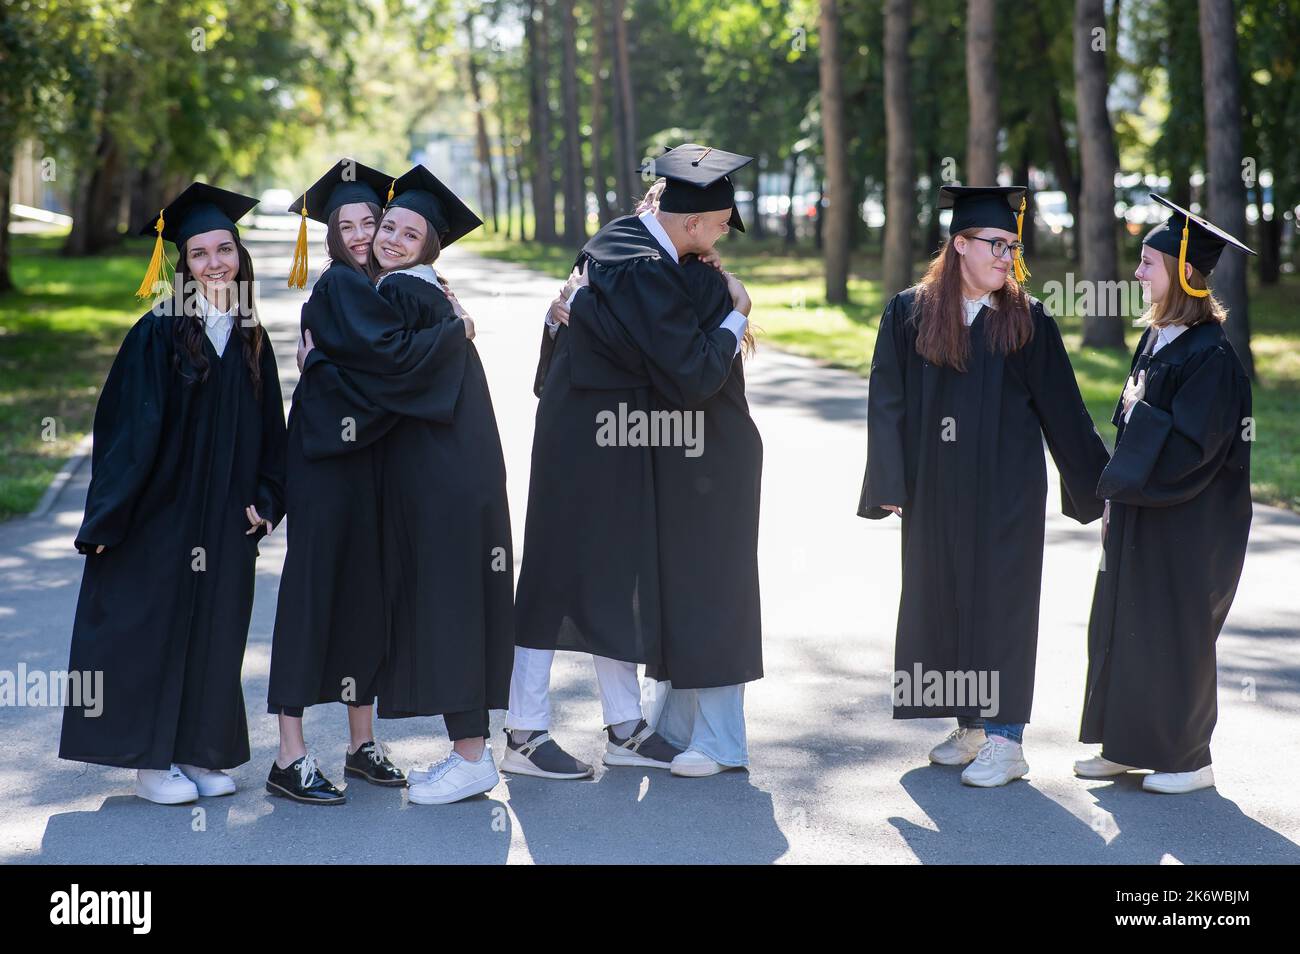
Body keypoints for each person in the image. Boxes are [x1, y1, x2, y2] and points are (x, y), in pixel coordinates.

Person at [508, 143, 753, 779]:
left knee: (614, 574)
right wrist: (736, 315)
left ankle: (623, 727)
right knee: (556, 574)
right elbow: (695, 375)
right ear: (693, 221)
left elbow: (587, 338)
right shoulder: (644, 269)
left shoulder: (612, 243)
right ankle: (523, 731)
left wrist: (578, 315)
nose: (724, 234)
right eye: (722, 223)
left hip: (604, 432)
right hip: (588, 441)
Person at [859, 185, 1110, 788]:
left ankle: (1006, 739)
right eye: (996, 244)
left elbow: (1065, 411)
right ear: (961, 244)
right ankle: (970, 726)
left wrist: (1103, 488)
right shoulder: (910, 313)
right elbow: (886, 398)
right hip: (935, 491)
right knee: (941, 599)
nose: (1007, 257)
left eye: (1014, 246)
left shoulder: (1026, 320)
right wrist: (888, 481)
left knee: (1001, 606)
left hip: (1006, 496)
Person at [59, 183, 287, 805]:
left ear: (240, 255)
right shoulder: (155, 335)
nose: (215, 264)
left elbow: (273, 434)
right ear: (180, 265)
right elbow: (124, 437)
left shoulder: (249, 337)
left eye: (224, 250)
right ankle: (151, 764)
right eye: (199, 254)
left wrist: (267, 502)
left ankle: (199, 751)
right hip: (161, 516)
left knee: (216, 632)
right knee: (154, 630)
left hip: (224, 519)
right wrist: (107, 521)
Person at [266, 158, 469, 804]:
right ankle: (289, 754)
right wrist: (450, 333)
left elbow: (377, 376)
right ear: (327, 235)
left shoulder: (385, 289)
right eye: (345, 225)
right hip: (330, 469)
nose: (360, 235)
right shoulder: (340, 290)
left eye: (370, 222)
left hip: (370, 465)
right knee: (313, 599)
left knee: (366, 601)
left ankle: (360, 743)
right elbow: (389, 372)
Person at [1075, 193, 1255, 795]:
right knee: (1126, 618)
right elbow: (1138, 422)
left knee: (1174, 629)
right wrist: (1116, 497)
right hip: (1143, 508)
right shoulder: (1158, 339)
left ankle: (1187, 758)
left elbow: (1193, 451)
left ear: (1182, 272)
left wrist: (1138, 425)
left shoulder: (1212, 357)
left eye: (1148, 263)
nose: (1136, 273)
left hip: (1190, 519)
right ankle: (1126, 745)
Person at [353, 163, 514, 805]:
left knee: (448, 604)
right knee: (459, 601)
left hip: (439, 476)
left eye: (407, 233)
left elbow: (386, 377)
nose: (390, 238)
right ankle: (470, 748)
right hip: (456, 469)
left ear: (429, 245)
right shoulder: (429, 291)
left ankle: (472, 758)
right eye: (387, 226)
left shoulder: (405, 294)